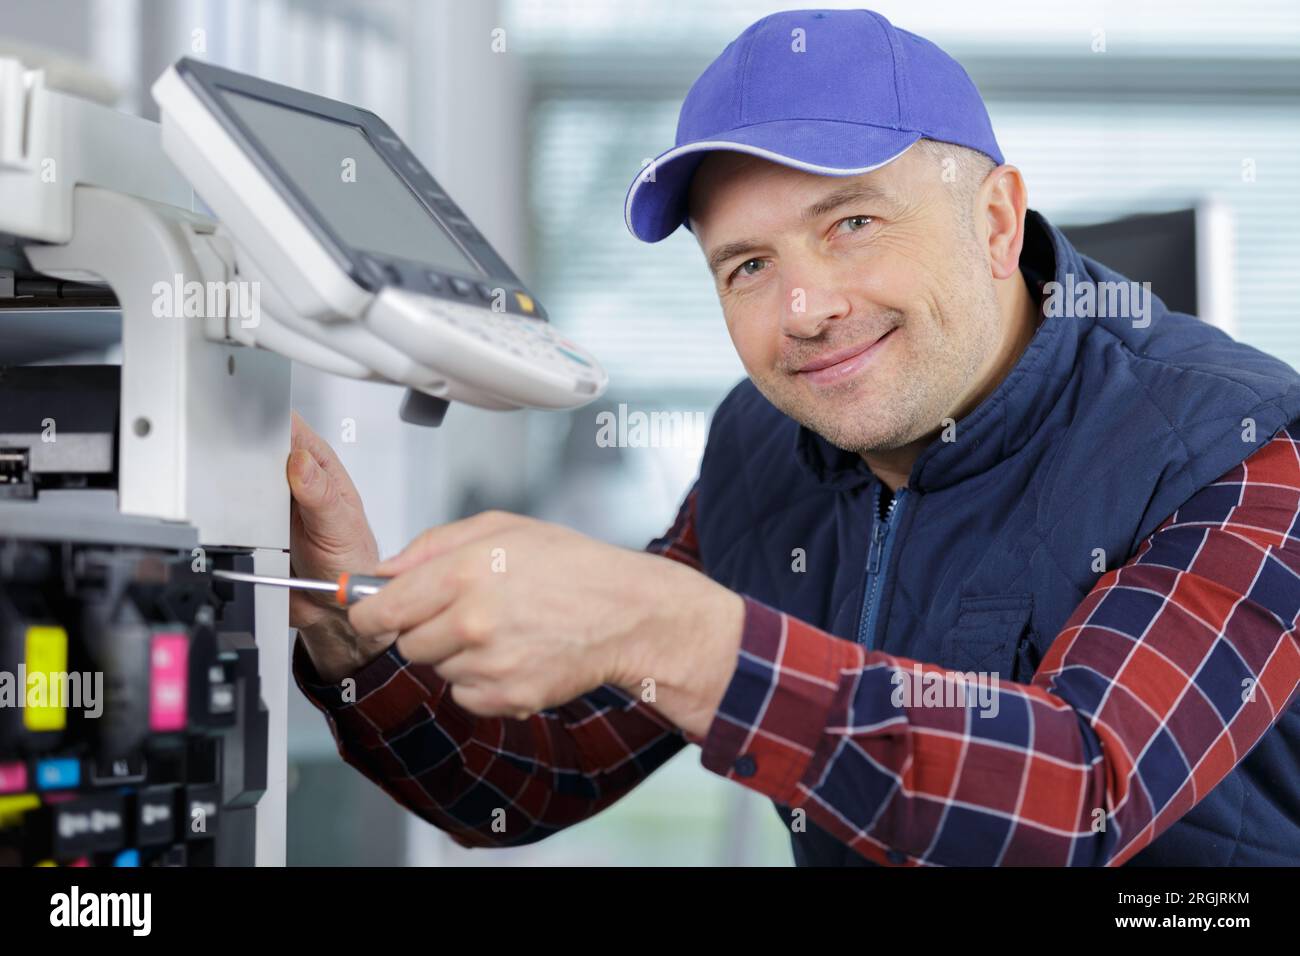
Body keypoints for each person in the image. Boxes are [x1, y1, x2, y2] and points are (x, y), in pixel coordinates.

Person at [288, 8, 1300, 866]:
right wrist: (351, 630)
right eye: (747, 265)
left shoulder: (1243, 447)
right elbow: (535, 772)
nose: (804, 307)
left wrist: (678, 632)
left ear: (995, 221)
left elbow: (1081, 791)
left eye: (850, 223)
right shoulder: (761, 445)